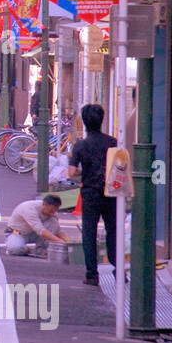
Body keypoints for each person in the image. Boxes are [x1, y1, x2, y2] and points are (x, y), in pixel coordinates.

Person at [68, 103, 118, 285]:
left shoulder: (81, 145)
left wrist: (86, 173)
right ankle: (118, 269)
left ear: (85, 122)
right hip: (110, 192)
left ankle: (92, 274)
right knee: (113, 229)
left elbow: (71, 173)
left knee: (89, 231)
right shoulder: (112, 142)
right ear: (102, 120)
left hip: (90, 192)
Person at [6, 195, 70, 256]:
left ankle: (41, 249)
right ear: (43, 204)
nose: (52, 214)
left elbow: (58, 231)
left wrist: (67, 242)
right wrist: (59, 241)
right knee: (16, 249)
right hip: (17, 233)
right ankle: (26, 249)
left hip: (34, 233)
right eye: (50, 211)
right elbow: (40, 230)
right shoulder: (29, 209)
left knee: (54, 222)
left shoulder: (52, 213)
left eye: (54, 211)